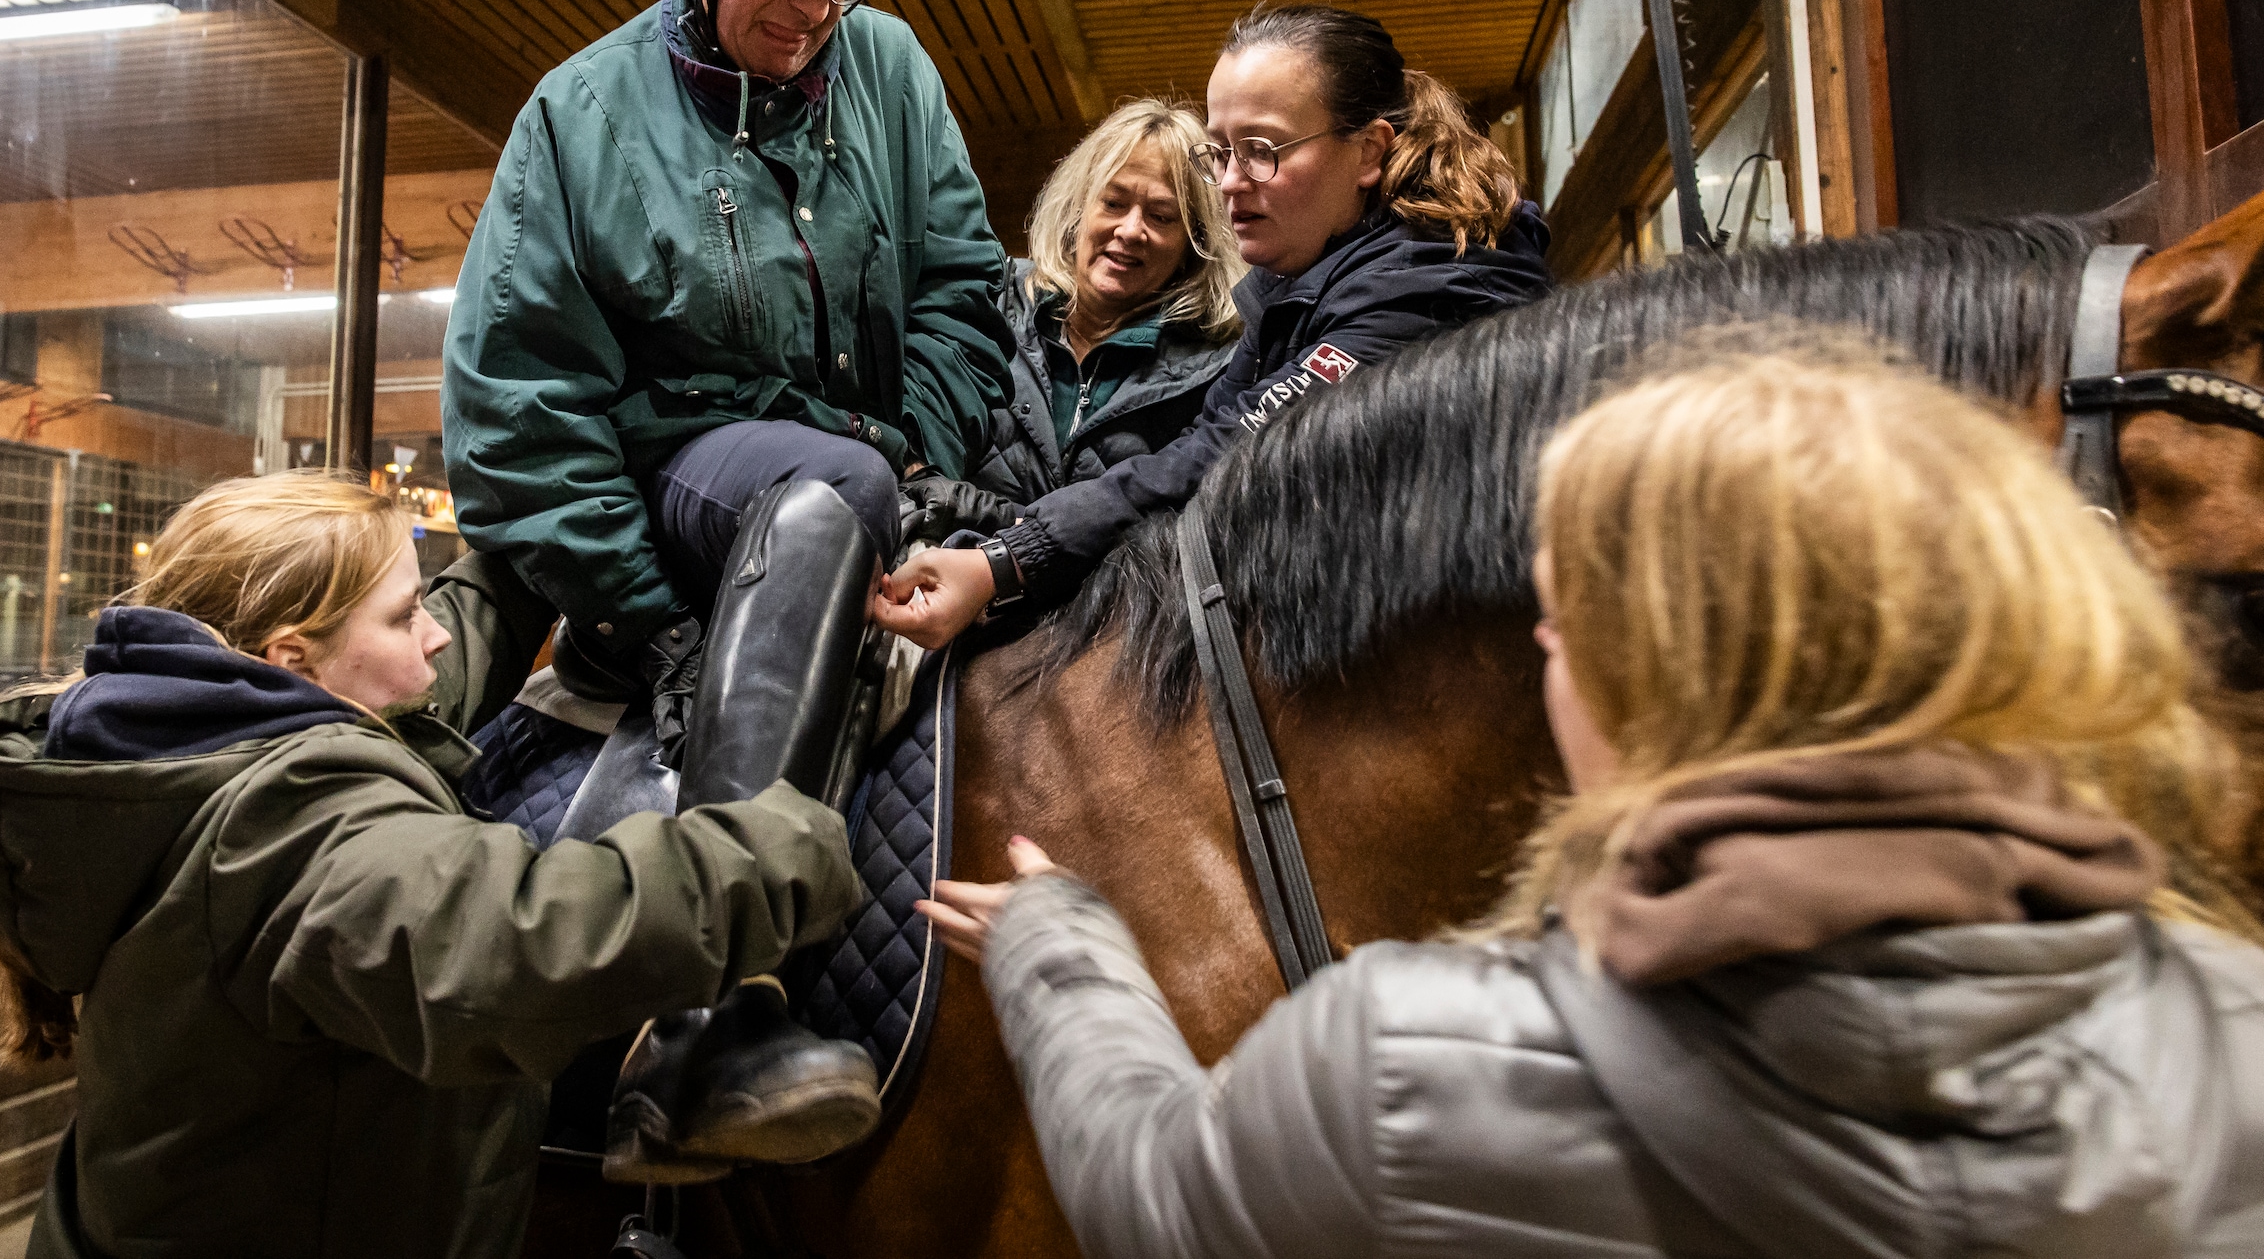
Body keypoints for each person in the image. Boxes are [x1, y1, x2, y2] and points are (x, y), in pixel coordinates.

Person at [920, 354, 2264, 1259]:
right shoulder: (2234, 1019)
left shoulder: (1409, 1063)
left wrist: (1060, 945)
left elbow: (1156, 1195)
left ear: (1642, 683)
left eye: (1563, 628)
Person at [441, 0, 1012, 1173]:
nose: (815, 9)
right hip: (670, 491)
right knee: (819, 490)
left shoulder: (893, 73)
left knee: (855, 488)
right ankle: (707, 1012)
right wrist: (649, 618)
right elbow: (519, 406)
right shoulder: (577, 114)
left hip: (867, 470)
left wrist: (914, 447)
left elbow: (960, 288)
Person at [0, 471, 861, 1259]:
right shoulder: (287, 830)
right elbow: (523, 939)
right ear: (293, 656)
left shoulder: (192, 736)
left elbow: (465, 624)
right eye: (404, 613)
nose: (434, 633)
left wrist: (573, 499)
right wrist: (792, 841)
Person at [875, 3, 1552, 645]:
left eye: (1262, 148)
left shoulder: (1429, 287)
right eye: (1221, 152)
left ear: (1370, 152)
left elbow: (1227, 454)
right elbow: (1205, 447)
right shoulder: (1296, 290)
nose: (1229, 181)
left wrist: (1005, 558)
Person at [909, 98, 1244, 543]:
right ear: (1078, 209)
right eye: (1113, 202)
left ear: (1193, 243)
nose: (1130, 230)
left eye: (1161, 216)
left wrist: (1001, 527)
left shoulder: (1219, 370)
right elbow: (916, 469)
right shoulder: (986, 300)